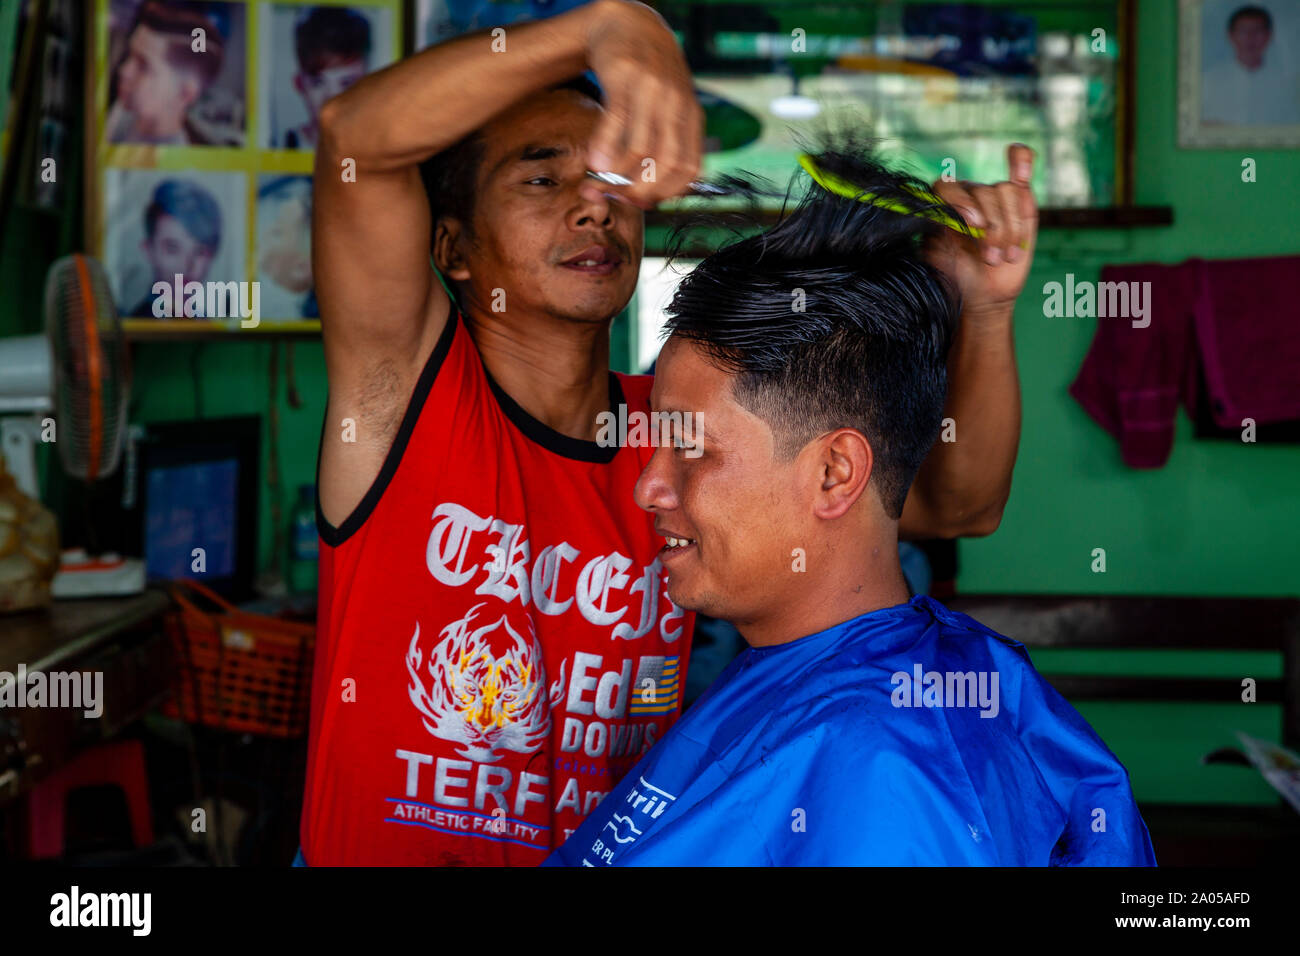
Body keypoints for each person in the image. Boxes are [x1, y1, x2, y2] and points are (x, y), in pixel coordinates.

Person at [301, 0, 1032, 866]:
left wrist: (982, 312)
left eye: (614, 182)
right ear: (453, 246)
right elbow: (354, 137)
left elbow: (961, 504)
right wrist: (608, 26)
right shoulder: (407, 396)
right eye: (543, 179)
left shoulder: (685, 432)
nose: (593, 207)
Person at [544, 145, 1155, 866]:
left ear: (836, 473)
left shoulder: (886, 773)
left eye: (690, 447)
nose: (648, 485)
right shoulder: (802, 680)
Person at [107, 1, 226, 145]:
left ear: (185, 93)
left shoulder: (179, 165)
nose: (124, 70)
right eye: (130, 55)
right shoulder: (126, 111)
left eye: (143, 66)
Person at [129, 178, 222, 318]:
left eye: (199, 251)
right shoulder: (138, 325)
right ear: (149, 251)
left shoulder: (206, 321)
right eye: (172, 249)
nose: (186, 265)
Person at [282, 7, 372, 149]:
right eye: (318, 83)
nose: (331, 97)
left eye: (346, 83)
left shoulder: (377, 147)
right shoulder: (282, 146)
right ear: (299, 83)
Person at [1202, 4, 1300, 126]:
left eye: (1257, 30)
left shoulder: (1286, 84)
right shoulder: (1208, 81)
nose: (1250, 37)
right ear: (1231, 36)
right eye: (1243, 31)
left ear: (1269, 36)